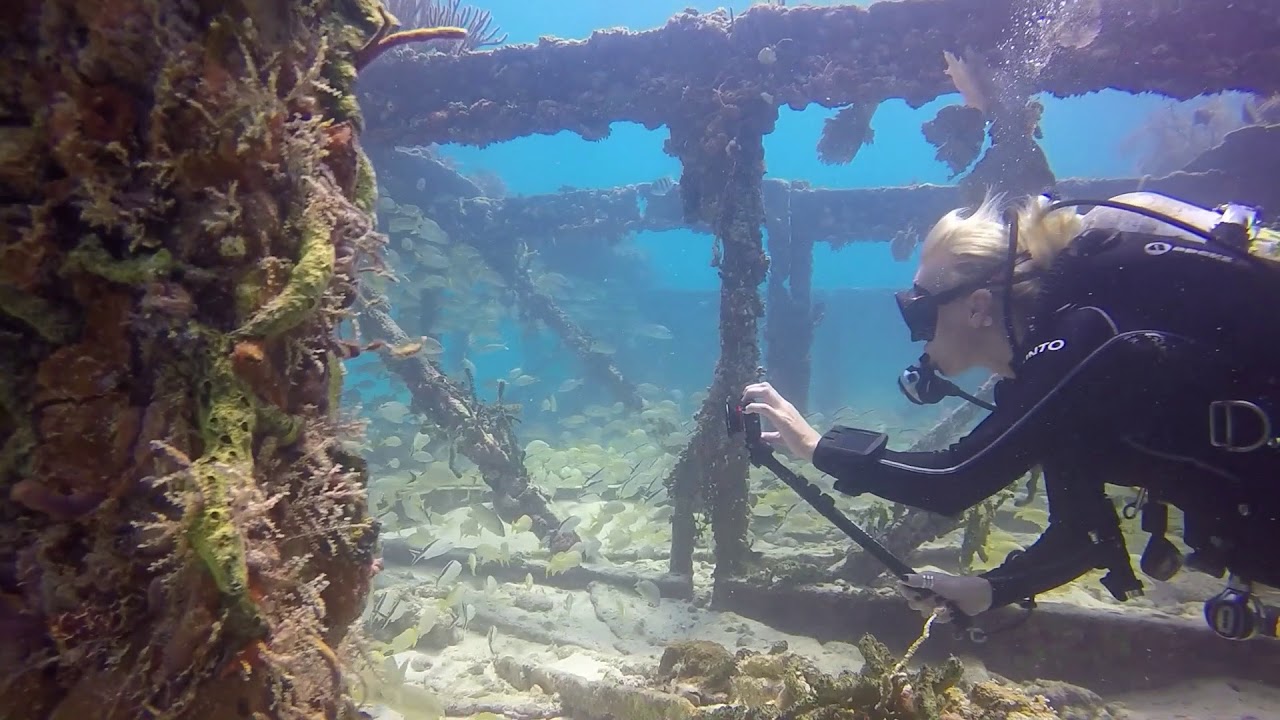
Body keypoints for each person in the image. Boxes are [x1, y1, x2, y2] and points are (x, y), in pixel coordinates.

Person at [741, 191, 1280, 640]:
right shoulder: (1057, 374)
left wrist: (816, 447)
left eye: (920, 309)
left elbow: (955, 477)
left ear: (977, 307)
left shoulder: (1079, 344)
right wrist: (988, 590)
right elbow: (1080, 533)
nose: (917, 330)